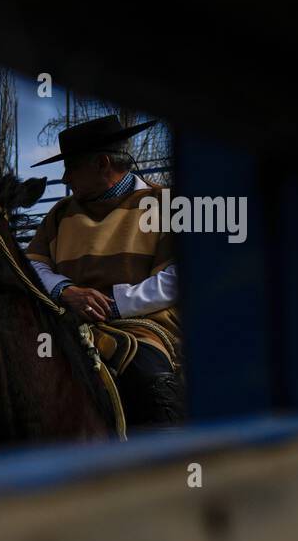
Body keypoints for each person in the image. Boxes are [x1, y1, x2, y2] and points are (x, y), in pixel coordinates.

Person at [25, 115, 183, 426]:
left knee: (150, 381)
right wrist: (66, 291)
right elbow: (32, 264)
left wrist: (112, 305)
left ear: (102, 163)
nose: (65, 178)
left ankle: (168, 452)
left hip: (143, 327)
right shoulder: (59, 214)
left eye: (71, 167)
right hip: (68, 322)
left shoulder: (167, 204)